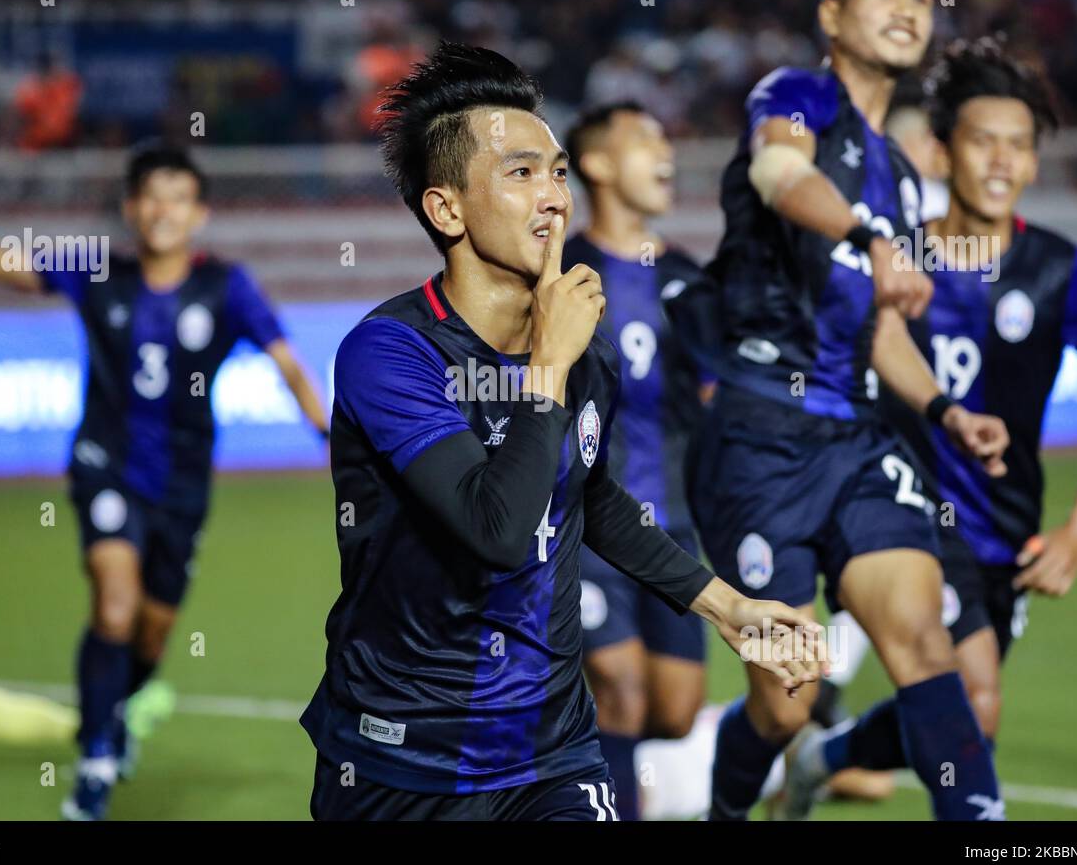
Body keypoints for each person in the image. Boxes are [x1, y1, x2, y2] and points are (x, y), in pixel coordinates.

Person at [300, 41, 825, 821]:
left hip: (551, 749)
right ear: (446, 209)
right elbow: (498, 528)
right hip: (402, 759)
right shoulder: (391, 353)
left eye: (555, 172)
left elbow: (587, 493)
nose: (552, 196)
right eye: (519, 173)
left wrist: (728, 607)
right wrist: (549, 366)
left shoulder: (583, 352)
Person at [0, 144, 330, 819]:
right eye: (151, 195)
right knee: (115, 603)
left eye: (178, 197)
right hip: (104, 464)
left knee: (150, 635)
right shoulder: (98, 272)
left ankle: (113, 717)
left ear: (199, 214)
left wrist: (329, 436)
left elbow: (289, 364)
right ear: (130, 209)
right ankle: (95, 759)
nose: (163, 210)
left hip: (183, 483)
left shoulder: (227, 286)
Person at [682, 0, 1010, 820]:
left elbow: (885, 329)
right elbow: (777, 177)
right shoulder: (795, 96)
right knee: (784, 698)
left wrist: (947, 410)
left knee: (925, 648)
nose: (908, 6)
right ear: (831, 17)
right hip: (761, 433)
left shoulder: (901, 174)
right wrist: (869, 238)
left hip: (863, 441)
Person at [779, 36, 1077, 817]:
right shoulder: (897, 261)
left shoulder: (1063, 271)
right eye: (983, 142)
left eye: (1020, 145)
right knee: (970, 693)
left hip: (1005, 529)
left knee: (963, 715)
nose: (1003, 161)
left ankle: (825, 754)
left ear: (1038, 161)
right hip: (901, 514)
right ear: (941, 151)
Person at [562, 101, 712, 819]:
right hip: (588, 525)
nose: (666, 154)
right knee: (618, 687)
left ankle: (560, 762)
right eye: (646, 139)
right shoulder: (559, 271)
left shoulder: (683, 275)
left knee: (676, 710)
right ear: (595, 164)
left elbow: (719, 393)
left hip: (674, 525)